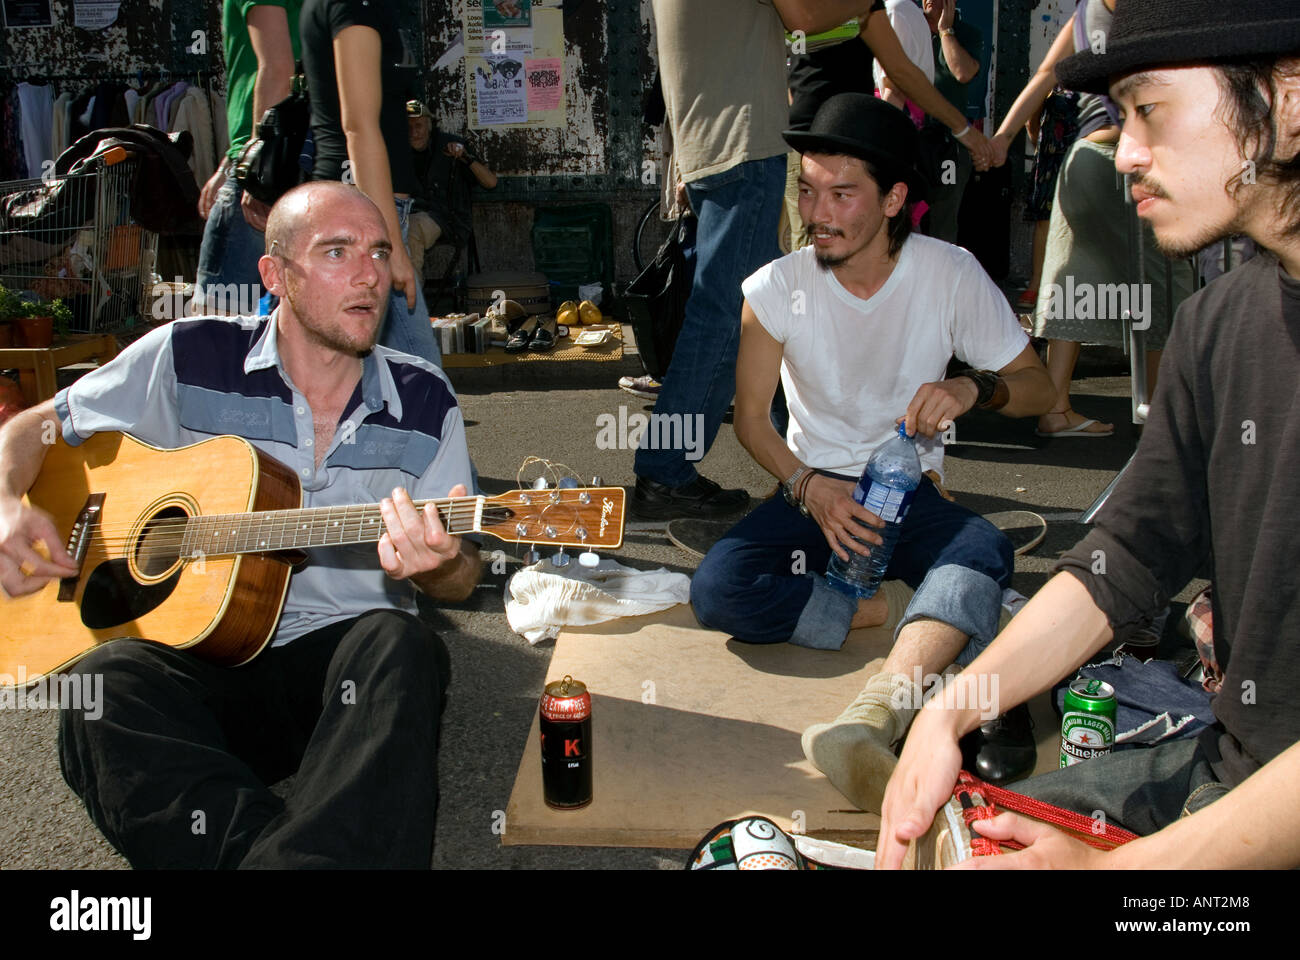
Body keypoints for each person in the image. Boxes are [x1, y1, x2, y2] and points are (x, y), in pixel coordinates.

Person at [878, 0, 1300, 870]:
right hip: (1227, 767)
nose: (1127, 153)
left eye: (1149, 111)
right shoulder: (1219, 322)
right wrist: (950, 711)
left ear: (1287, 104)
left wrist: (1112, 876)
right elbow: (1127, 558)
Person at [0, 182, 480, 868]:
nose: (370, 274)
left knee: (402, 647)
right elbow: (37, 425)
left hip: (336, 690)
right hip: (198, 673)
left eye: (379, 251)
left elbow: (462, 580)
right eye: (337, 252)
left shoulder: (426, 400)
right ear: (275, 275)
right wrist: (6, 502)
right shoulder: (187, 355)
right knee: (104, 683)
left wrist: (442, 566)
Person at [689, 94, 1055, 813]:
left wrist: (971, 388)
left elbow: (1039, 388)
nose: (816, 212)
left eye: (841, 192)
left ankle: (872, 717)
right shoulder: (773, 289)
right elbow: (752, 424)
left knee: (983, 547)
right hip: (813, 493)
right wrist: (807, 487)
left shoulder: (948, 273)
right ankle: (889, 607)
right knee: (717, 589)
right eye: (806, 188)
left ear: (893, 200)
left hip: (905, 492)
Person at [631, 0, 895, 521]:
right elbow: (805, 15)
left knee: (745, 312)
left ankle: (800, 454)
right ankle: (664, 472)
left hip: (711, 143)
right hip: (743, 144)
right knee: (728, 316)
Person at [988, 0, 1195, 439]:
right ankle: (1162, 420)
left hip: (1082, 160)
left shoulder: (1085, 14)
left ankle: (1056, 408)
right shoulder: (1141, 14)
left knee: (1075, 283)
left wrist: (1003, 137)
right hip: (1125, 161)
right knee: (1160, 281)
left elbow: (1045, 75)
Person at [299, 0, 440, 364]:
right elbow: (358, 127)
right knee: (421, 386)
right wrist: (389, 246)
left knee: (394, 384)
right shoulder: (354, 6)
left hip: (360, 207)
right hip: (365, 212)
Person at [195, 0, 302, 315]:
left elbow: (277, 66)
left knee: (217, 323)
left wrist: (257, 173)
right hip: (306, 155)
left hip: (273, 160)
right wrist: (231, 161)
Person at [403, 100, 496, 280]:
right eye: (408, 127)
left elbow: (491, 182)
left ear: (429, 126)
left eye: (418, 126)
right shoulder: (398, 152)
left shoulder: (449, 144)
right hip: (409, 213)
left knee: (410, 229)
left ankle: (411, 302)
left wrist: (465, 157)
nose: (414, 132)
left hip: (446, 219)